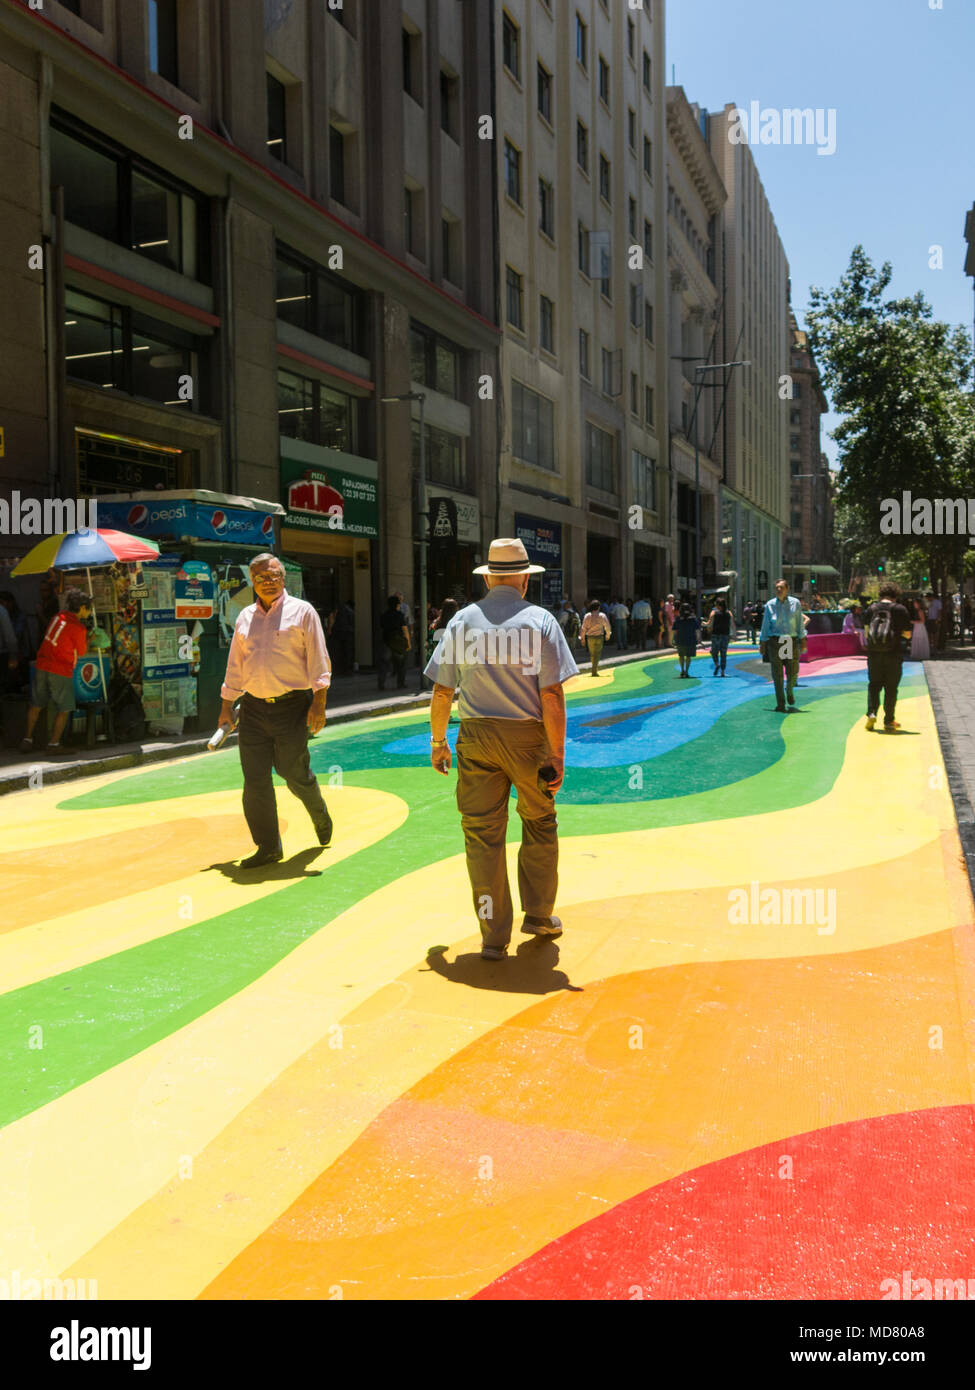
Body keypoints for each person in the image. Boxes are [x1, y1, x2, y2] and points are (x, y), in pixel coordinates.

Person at [424, 537, 579, 961]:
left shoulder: (462, 622)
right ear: (526, 579)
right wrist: (557, 755)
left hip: (475, 737)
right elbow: (552, 697)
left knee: (482, 835)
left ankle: (493, 936)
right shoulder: (541, 621)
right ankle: (540, 916)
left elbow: (441, 691)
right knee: (539, 823)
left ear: (489, 577)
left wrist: (438, 742)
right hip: (529, 739)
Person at [217, 553, 333, 868]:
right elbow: (235, 667)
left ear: (282, 578)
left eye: (272, 576)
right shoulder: (244, 618)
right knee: (254, 780)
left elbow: (319, 660)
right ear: (252, 582)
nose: (267, 582)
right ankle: (268, 847)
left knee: (291, 772)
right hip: (252, 708)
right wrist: (227, 707)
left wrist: (318, 704)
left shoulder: (303, 612)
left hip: (293, 706)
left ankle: (318, 811)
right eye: (260, 578)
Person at [20, 587, 93, 753]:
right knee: (65, 707)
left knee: (36, 705)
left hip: (42, 665)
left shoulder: (57, 617)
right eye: (88, 609)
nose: (89, 613)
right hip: (60, 669)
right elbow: (81, 652)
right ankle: (54, 744)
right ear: (82, 608)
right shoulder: (79, 627)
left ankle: (27, 739)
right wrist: (90, 638)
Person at [864, 582, 914, 732]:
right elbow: (907, 634)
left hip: (874, 654)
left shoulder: (871, 609)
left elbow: (867, 633)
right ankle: (889, 721)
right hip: (894, 653)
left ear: (881, 594)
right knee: (891, 688)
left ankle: (872, 713)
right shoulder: (900, 609)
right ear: (895, 595)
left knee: (874, 685)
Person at [759, 578, 807, 712]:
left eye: (782, 587)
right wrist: (762, 643)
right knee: (777, 674)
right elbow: (765, 625)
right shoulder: (770, 605)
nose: (779, 590)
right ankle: (780, 702)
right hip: (775, 641)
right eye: (777, 588)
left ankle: (789, 689)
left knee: (792, 672)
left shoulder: (795, 603)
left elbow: (799, 623)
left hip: (789, 641)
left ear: (787, 589)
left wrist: (803, 639)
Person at [378, 594, 411, 690]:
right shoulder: (400, 615)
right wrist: (408, 643)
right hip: (398, 643)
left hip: (386, 641)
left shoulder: (384, 615)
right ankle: (400, 684)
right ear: (398, 604)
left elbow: (382, 627)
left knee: (384, 664)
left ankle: (381, 684)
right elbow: (405, 630)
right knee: (401, 664)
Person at [580, 600, 612, 677]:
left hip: (590, 637)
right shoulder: (602, 615)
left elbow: (583, 628)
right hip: (599, 636)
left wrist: (582, 638)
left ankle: (594, 669)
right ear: (598, 607)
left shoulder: (587, 616)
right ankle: (594, 670)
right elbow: (607, 626)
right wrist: (608, 635)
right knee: (597, 654)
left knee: (592, 654)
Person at [706, 595, 733, 676]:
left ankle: (717, 664)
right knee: (723, 653)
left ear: (717, 605)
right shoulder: (729, 613)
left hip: (716, 635)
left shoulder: (713, 612)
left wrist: (704, 624)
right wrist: (734, 635)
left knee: (714, 652)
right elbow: (732, 624)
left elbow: (709, 624)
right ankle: (722, 672)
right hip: (725, 635)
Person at [673, 603, 700, 677]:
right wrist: (698, 639)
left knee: (681, 655)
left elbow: (675, 630)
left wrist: (674, 639)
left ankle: (682, 670)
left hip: (680, 639)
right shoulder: (693, 618)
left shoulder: (678, 618)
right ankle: (687, 671)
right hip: (691, 639)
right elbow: (697, 630)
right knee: (688, 656)